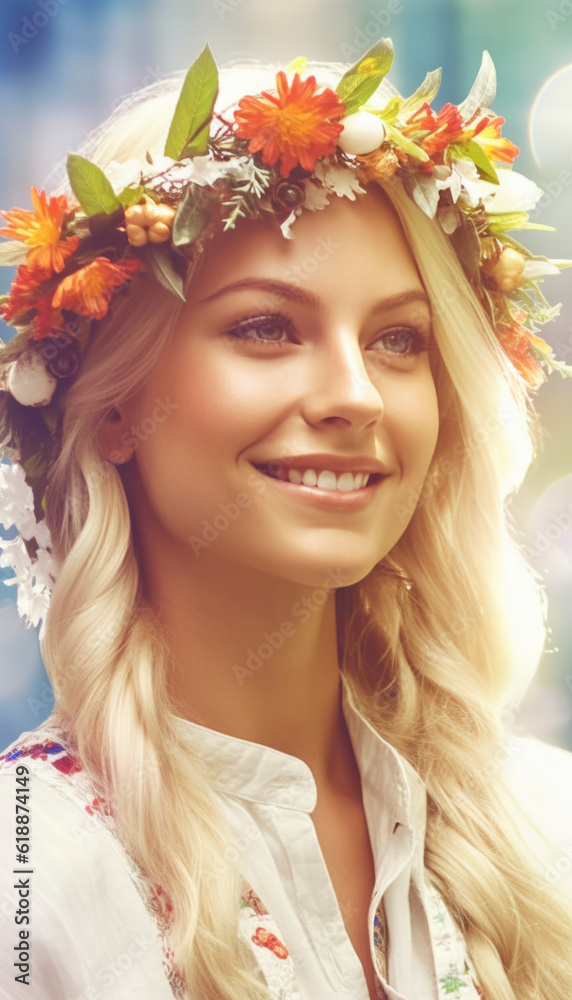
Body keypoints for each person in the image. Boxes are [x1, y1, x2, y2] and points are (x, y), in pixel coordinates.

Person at [0, 39, 571, 1000]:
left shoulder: (546, 819)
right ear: (110, 403)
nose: (357, 396)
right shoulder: (31, 877)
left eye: (399, 340)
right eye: (266, 327)